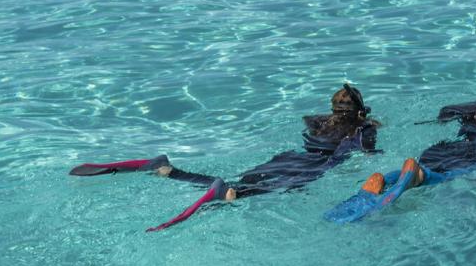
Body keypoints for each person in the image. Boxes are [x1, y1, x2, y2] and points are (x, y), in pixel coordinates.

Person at [69, 84, 381, 230]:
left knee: (240, 182)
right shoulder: (362, 128)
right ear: (359, 111)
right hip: (312, 165)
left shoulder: (318, 121)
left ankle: (169, 170)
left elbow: (308, 122)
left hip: (287, 157)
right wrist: (369, 134)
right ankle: (220, 191)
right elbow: (359, 152)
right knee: (249, 191)